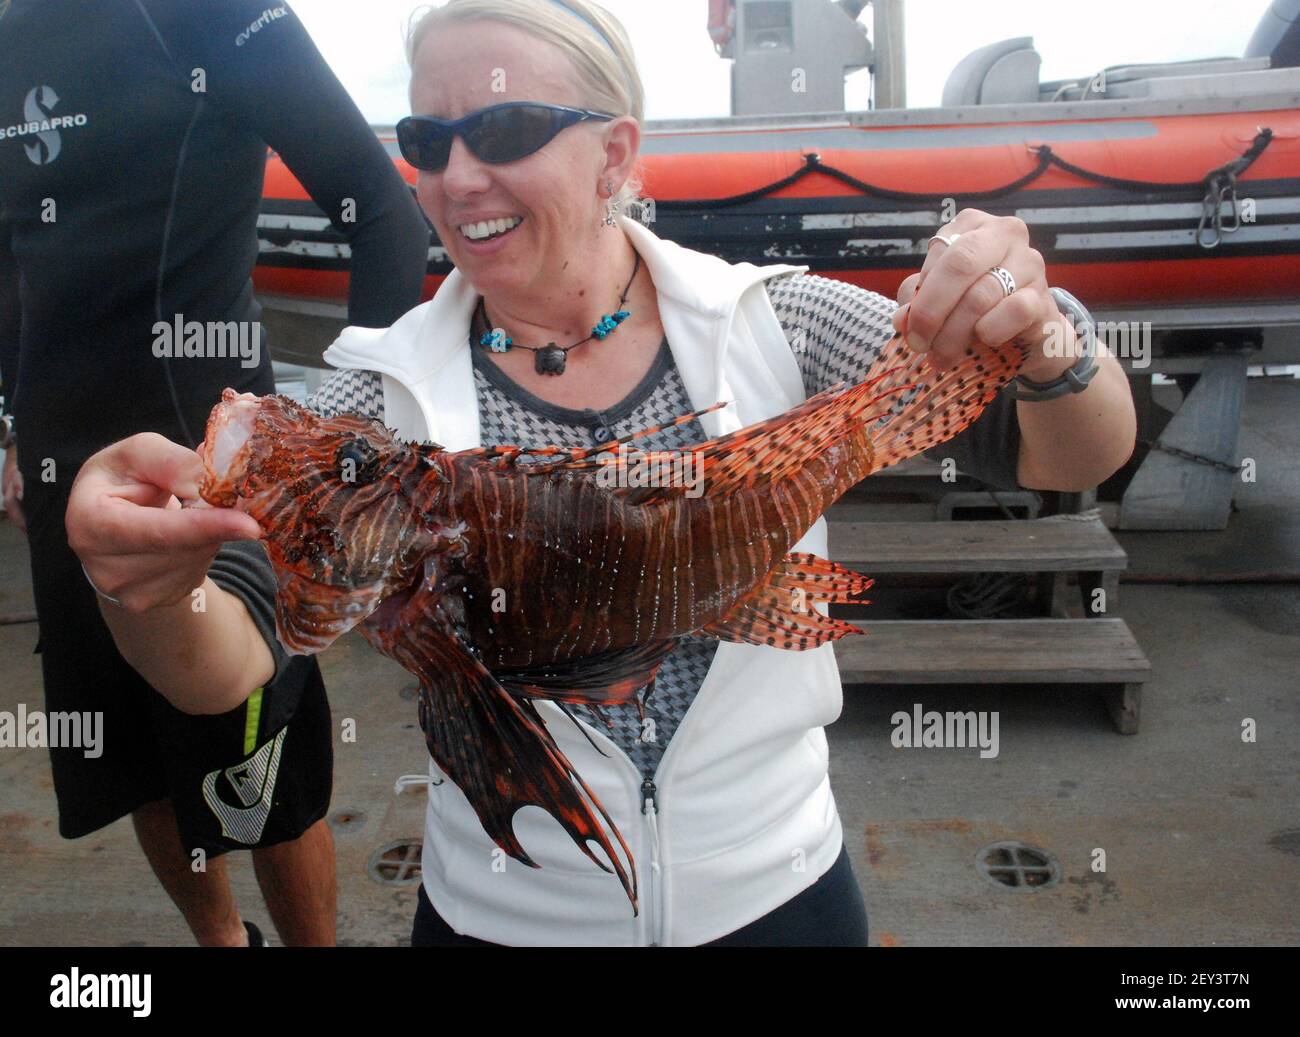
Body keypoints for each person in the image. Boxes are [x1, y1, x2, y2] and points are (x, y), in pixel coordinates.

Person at [65, 0, 1135, 946]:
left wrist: (1040, 332)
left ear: (615, 153)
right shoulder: (373, 401)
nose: (455, 175)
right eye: (426, 140)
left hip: (780, 897)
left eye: (505, 130)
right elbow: (219, 664)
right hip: (502, 916)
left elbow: (1075, 452)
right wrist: (138, 582)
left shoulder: (778, 321)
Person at [0, 0, 430, 946]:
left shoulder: (204, 11)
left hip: (214, 469)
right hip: (62, 464)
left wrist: (347, 450)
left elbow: (384, 214)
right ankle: (222, 943)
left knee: (256, 770)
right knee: (135, 766)